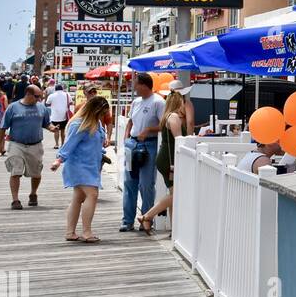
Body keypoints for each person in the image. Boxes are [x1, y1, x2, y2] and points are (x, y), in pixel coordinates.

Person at [50, 95, 111, 244]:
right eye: (103, 113)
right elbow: (69, 144)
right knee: (92, 194)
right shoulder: (80, 124)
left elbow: (94, 144)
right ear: (95, 110)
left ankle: (70, 232)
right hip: (79, 165)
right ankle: (87, 231)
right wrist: (59, 160)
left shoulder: (96, 123)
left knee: (78, 197)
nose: (104, 116)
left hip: (91, 165)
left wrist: (102, 153)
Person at [138, 89, 191, 235]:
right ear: (178, 101)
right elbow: (180, 141)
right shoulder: (173, 117)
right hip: (170, 160)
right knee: (176, 194)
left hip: (167, 159)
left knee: (174, 194)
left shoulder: (168, 116)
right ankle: (147, 216)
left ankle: (175, 230)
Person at [120, 73, 165, 232]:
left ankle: (146, 218)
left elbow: (164, 125)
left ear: (144, 85)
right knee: (129, 182)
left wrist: (148, 130)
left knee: (146, 184)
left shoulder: (158, 102)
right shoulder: (136, 102)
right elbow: (130, 121)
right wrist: (126, 138)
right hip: (133, 144)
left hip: (149, 144)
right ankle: (127, 220)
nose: (133, 86)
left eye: (135, 84)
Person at [0, 84, 50, 209]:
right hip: (17, 144)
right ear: (28, 94)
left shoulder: (42, 108)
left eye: (41, 97)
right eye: (37, 97)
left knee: (36, 173)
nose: (39, 99)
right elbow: (2, 127)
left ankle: (33, 193)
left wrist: (52, 128)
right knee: (15, 171)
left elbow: (46, 124)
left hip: (35, 145)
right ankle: (15, 200)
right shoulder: (13, 107)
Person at [45, 83, 71, 147]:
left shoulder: (52, 95)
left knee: (56, 130)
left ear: (55, 89)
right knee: (63, 131)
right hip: (64, 116)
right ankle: (62, 144)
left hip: (55, 116)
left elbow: (47, 103)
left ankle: (56, 144)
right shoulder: (67, 94)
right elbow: (71, 102)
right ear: (62, 89)